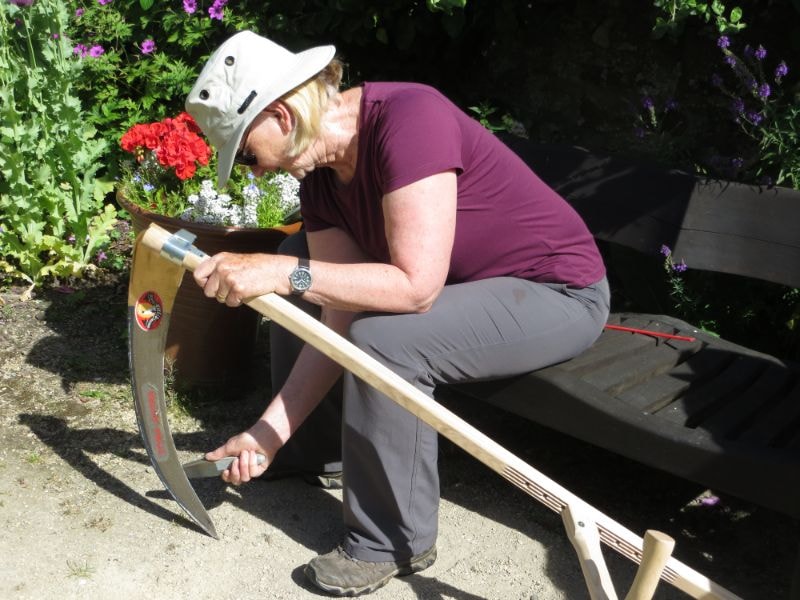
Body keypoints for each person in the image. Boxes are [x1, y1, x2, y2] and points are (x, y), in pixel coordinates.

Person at [185, 30, 610, 597]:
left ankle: (392, 539)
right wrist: (268, 434)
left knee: (381, 335)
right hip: (470, 289)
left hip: (554, 293)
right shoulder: (320, 180)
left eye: (247, 154)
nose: (255, 173)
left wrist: (284, 273)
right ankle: (310, 448)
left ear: (281, 116)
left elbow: (415, 289)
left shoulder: (410, 118)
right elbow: (335, 313)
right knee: (300, 260)